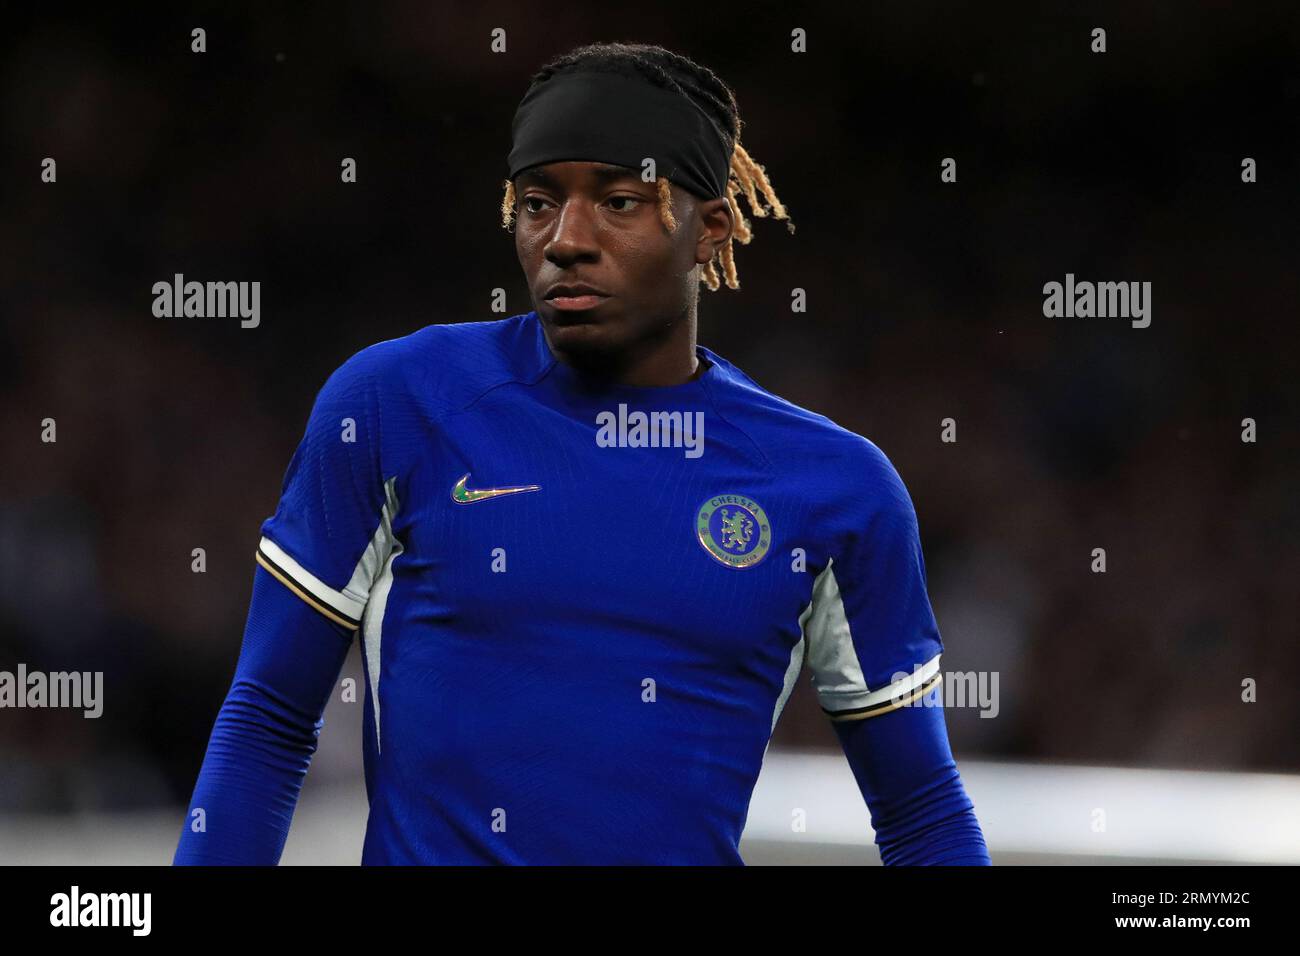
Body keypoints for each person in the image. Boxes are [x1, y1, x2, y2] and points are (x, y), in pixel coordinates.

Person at [173, 41, 990, 865]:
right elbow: (270, 718)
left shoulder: (835, 488)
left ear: (709, 232)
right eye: (537, 202)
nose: (566, 237)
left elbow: (921, 812)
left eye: (620, 201)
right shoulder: (396, 404)